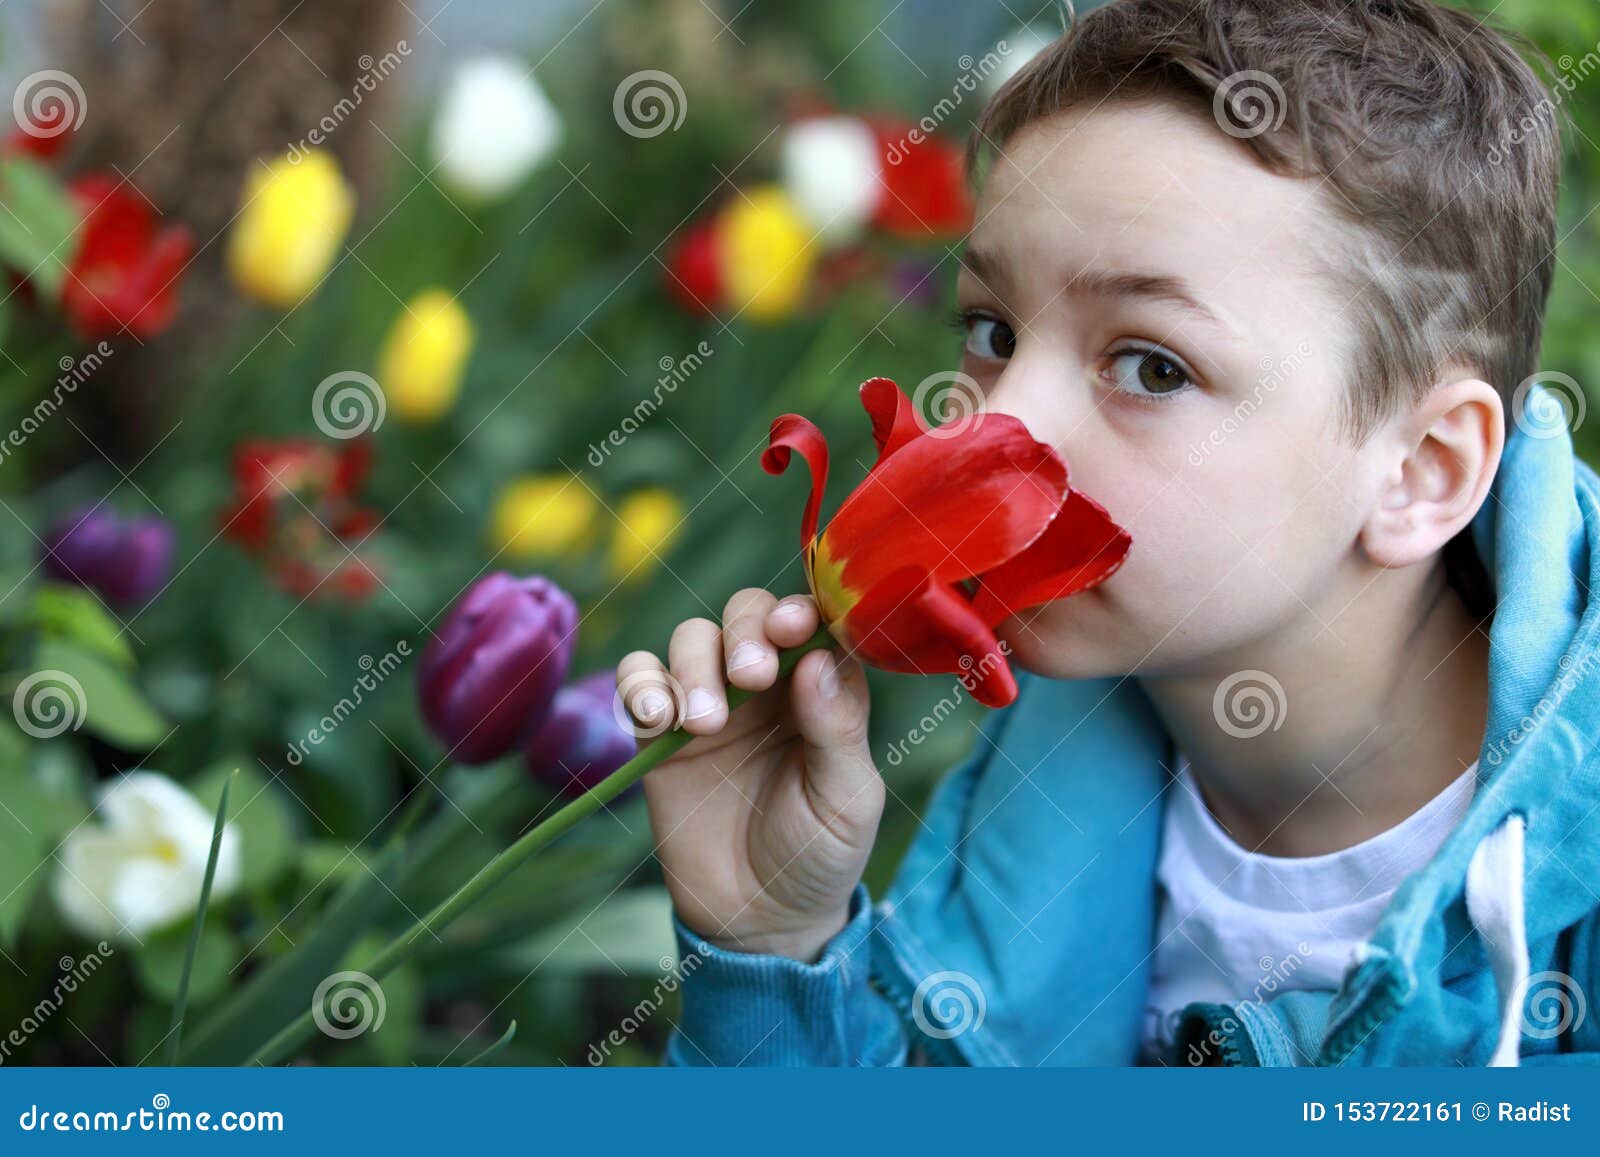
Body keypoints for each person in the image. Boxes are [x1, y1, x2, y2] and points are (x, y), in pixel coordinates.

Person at [618, 0, 1600, 1065]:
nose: (994, 423)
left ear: (1421, 471)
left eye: (1151, 365)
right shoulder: (1020, 829)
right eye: (993, 331)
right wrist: (771, 953)